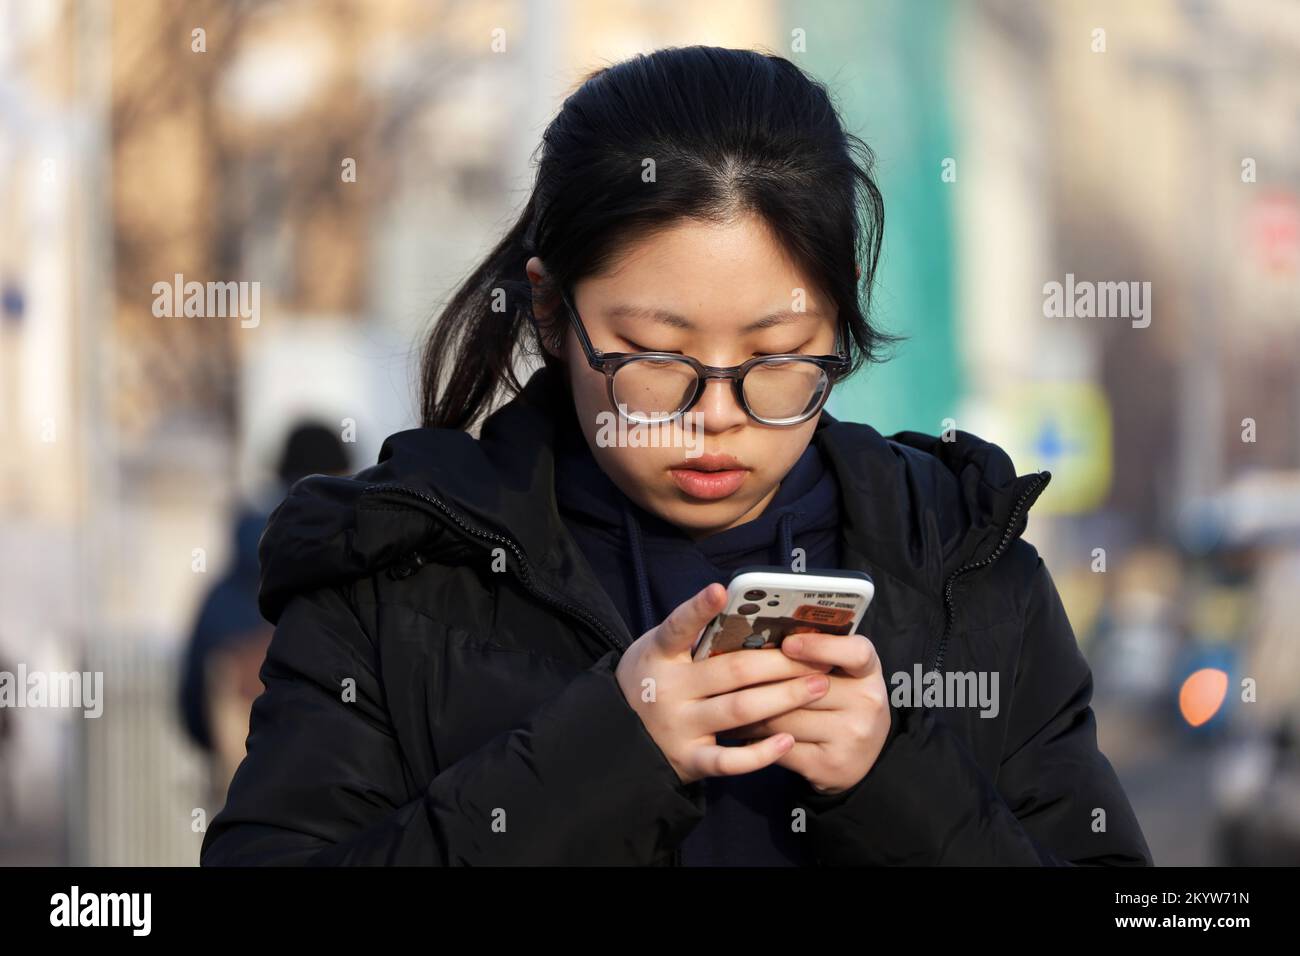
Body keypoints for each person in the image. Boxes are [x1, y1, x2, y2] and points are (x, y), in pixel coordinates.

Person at [200, 46, 1151, 866]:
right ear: (550, 311)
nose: (719, 415)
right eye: (657, 359)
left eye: (780, 359)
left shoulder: (963, 566)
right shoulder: (401, 573)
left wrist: (893, 781)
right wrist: (609, 753)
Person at [179, 420, 351, 809]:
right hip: (339, 806)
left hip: (243, 809)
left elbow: (191, 708)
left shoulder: (222, 593)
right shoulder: (352, 575)